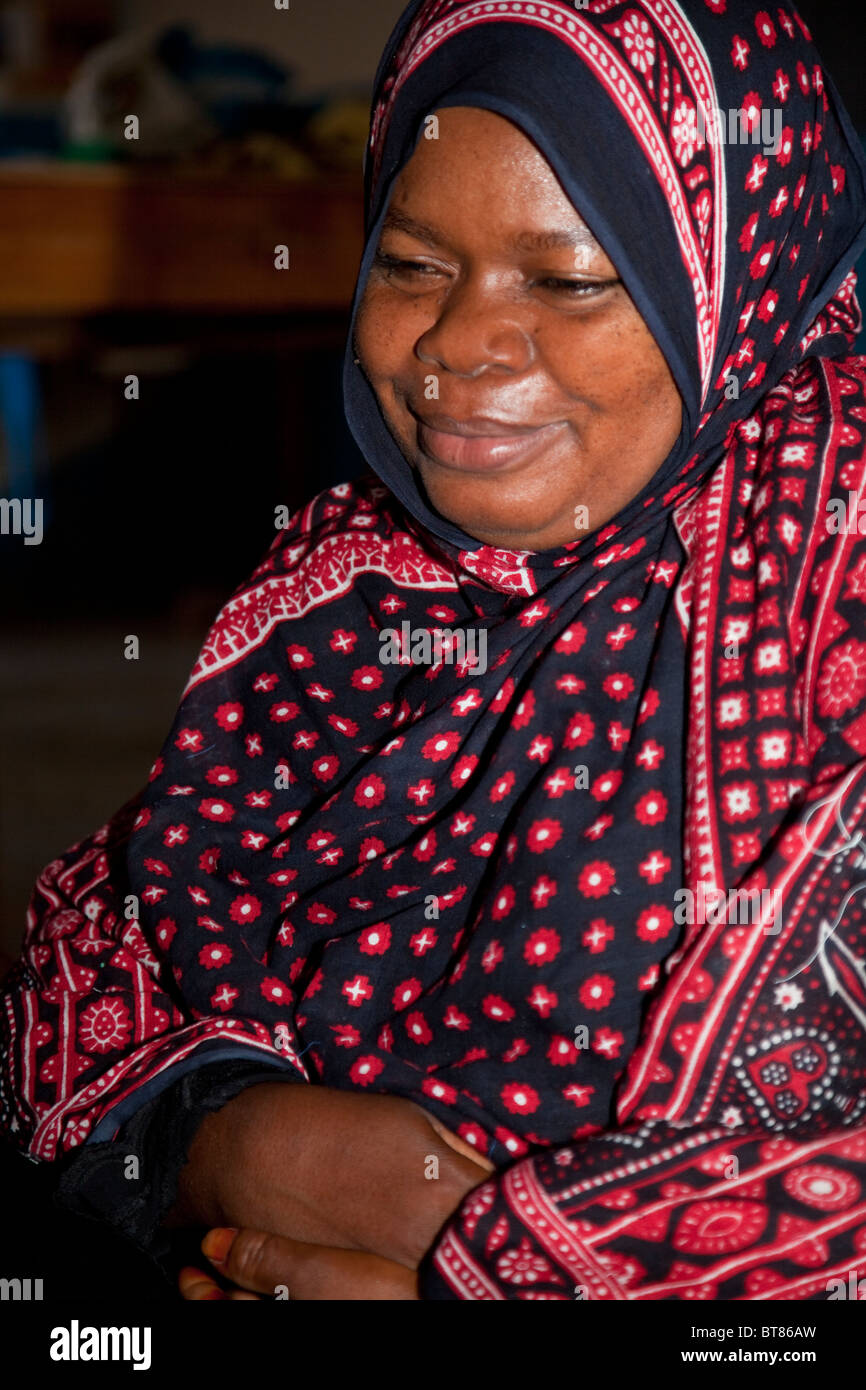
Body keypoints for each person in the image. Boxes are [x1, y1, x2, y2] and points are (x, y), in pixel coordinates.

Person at [3, 0, 866, 1302]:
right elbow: (89, 964)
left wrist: (496, 1267)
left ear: (739, 283)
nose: (459, 342)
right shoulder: (346, 580)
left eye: (570, 278)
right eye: (411, 264)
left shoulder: (828, 571)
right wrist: (230, 1141)